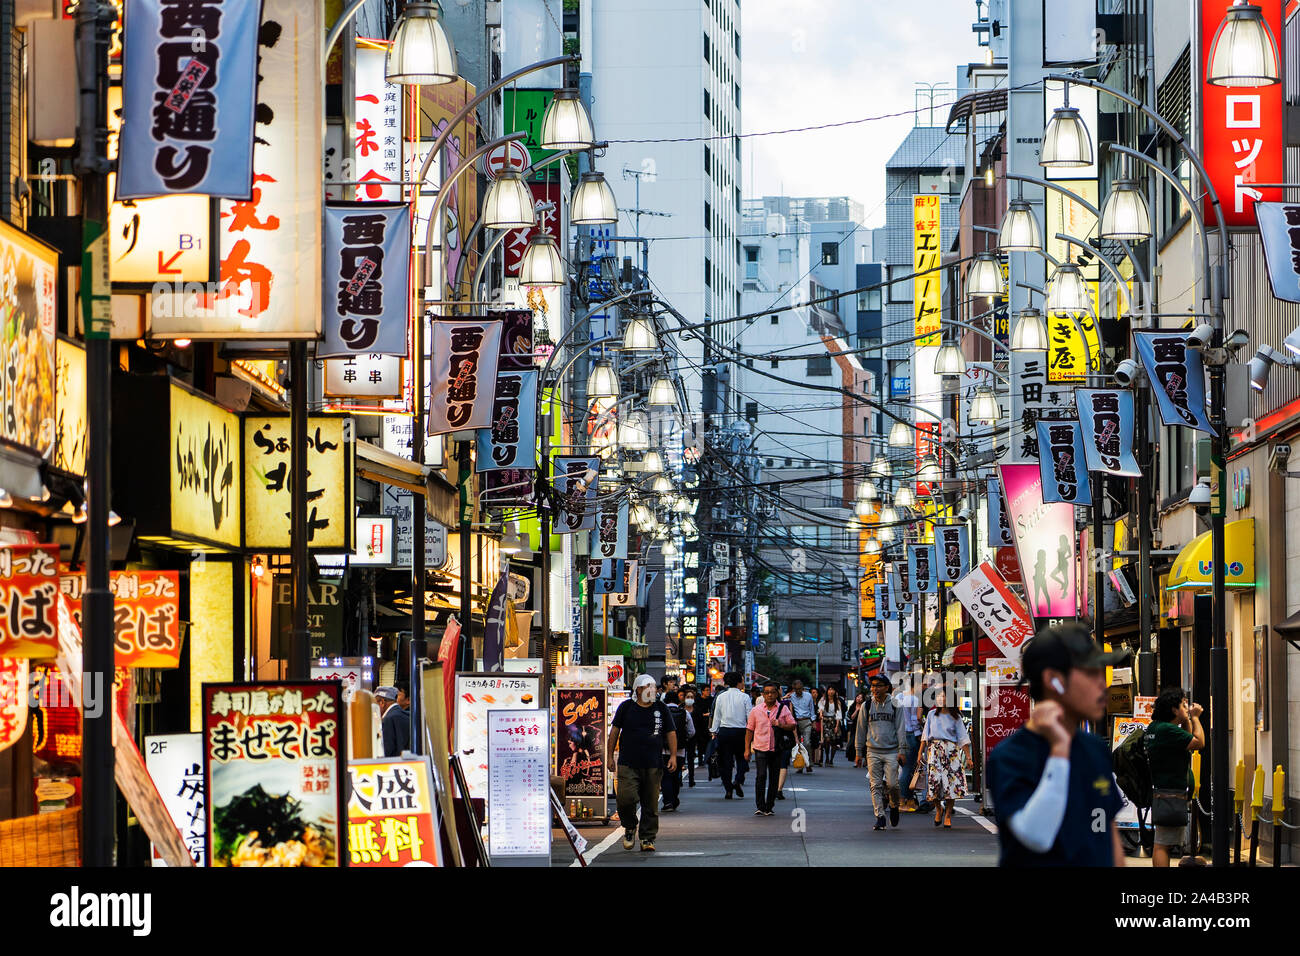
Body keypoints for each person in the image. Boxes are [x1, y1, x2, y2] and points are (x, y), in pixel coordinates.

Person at [986, 622, 1130, 866]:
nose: (1103, 685)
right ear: (1054, 681)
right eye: (1091, 673)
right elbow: (1036, 836)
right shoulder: (1011, 757)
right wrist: (1060, 749)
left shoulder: (1094, 748)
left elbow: (1108, 834)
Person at [609, 674, 678, 852]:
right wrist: (609, 756)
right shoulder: (626, 707)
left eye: (653, 686)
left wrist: (673, 756)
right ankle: (630, 826)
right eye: (647, 686)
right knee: (626, 798)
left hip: (653, 763)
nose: (652, 689)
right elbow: (615, 731)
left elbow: (670, 732)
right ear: (638, 689)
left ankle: (647, 838)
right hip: (627, 762)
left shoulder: (661, 708)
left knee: (651, 803)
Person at [1144, 687, 1205, 867]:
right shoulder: (1167, 730)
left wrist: (1186, 719)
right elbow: (1198, 742)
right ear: (1173, 709)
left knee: (1162, 842)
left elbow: (1185, 740)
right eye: (1183, 705)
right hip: (1170, 794)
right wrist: (1195, 718)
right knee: (1163, 845)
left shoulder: (1156, 728)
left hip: (1164, 793)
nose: (1186, 708)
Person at [854, 674, 907, 830]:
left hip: (891, 751)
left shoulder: (896, 704)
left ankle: (894, 805)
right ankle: (880, 816)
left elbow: (900, 728)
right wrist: (858, 752)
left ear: (886, 687)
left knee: (892, 784)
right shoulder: (866, 705)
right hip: (872, 751)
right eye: (872, 686)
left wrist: (902, 750)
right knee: (875, 785)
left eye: (878, 685)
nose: (874, 689)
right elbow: (861, 729)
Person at [917, 689, 971, 828]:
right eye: (940, 696)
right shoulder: (931, 714)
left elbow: (963, 739)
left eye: (945, 696)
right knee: (935, 783)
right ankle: (938, 809)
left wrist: (969, 758)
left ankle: (947, 814)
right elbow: (925, 735)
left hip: (951, 752)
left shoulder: (956, 717)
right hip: (934, 751)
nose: (942, 698)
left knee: (952, 785)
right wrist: (920, 753)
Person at [744, 680, 796, 815]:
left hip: (776, 748)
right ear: (763, 694)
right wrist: (746, 749)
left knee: (774, 777)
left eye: (772, 692)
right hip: (760, 747)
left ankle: (769, 806)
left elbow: (792, 725)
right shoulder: (756, 710)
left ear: (777, 693)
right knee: (761, 776)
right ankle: (760, 806)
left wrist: (780, 724)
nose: (770, 695)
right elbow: (749, 730)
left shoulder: (783, 709)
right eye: (766, 693)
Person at [709, 671, 751, 800]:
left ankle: (728, 789)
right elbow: (749, 716)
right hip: (741, 732)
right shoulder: (745, 697)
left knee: (725, 762)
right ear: (739, 682)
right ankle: (737, 781)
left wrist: (713, 731)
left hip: (724, 732)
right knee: (742, 758)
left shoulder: (721, 696)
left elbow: (717, 716)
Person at [660, 691, 694, 811]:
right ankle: (674, 799)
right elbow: (691, 731)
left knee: (665, 776)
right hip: (680, 750)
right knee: (676, 776)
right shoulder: (684, 713)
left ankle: (668, 801)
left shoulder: (661, 712)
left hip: (663, 750)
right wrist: (684, 739)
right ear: (678, 701)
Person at [895, 676, 924, 811]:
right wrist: (920, 732)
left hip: (900, 735)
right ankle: (903, 799)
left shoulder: (900, 696)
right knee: (908, 768)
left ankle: (905, 799)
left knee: (903, 767)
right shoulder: (915, 699)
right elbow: (916, 719)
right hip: (911, 735)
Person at [788, 679, 816, 774]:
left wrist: (813, 721)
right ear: (794, 689)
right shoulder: (791, 697)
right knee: (798, 745)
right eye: (796, 689)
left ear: (803, 688)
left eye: (800, 689)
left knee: (807, 743)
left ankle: (809, 763)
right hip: (796, 722)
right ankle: (800, 765)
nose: (798, 691)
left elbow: (812, 709)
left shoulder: (808, 696)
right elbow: (781, 701)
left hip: (807, 720)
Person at [818, 686, 844, 766]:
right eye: (829, 689)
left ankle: (831, 759)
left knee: (834, 742)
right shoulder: (823, 700)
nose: (831, 691)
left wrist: (837, 726)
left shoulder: (837, 702)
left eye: (833, 689)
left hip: (833, 721)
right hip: (825, 721)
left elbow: (838, 714)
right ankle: (827, 757)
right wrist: (821, 714)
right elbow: (821, 709)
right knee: (827, 740)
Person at [682, 688, 701, 786]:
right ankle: (679, 779)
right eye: (688, 697)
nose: (689, 699)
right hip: (681, 737)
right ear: (684, 698)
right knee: (681, 758)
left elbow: (700, 724)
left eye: (691, 697)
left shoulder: (697, 710)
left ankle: (691, 779)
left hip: (693, 737)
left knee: (690, 758)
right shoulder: (680, 709)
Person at [846, 692, 866, 763]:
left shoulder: (865, 706)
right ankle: (856, 759)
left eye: (861, 697)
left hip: (863, 726)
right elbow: (851, 717)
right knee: (853, 742)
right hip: (854, 726)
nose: (859, 698)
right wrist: (857, 710)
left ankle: (865, 759)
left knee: (864, 743)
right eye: (858, 697)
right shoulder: (853, 706)